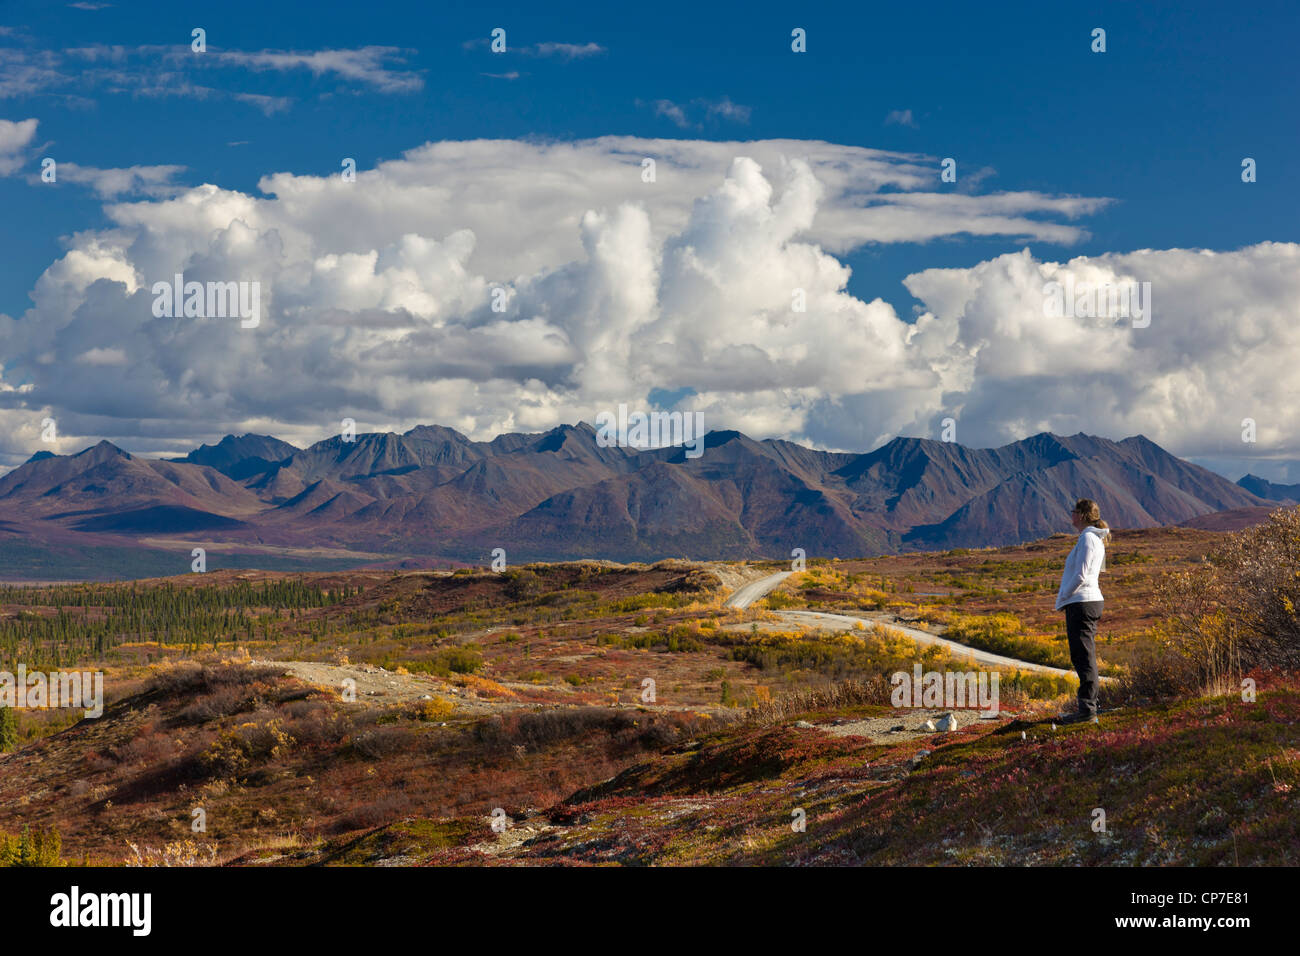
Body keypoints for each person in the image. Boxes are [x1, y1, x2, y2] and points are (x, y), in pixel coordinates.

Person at [1054, 498, 1109, 722]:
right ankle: (1088, 707)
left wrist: (1065, 594)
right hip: (1087, 600)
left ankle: (1087, 711)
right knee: (1084, 655)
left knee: (1083, 657)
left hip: (1081, 602)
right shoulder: (1094, 538)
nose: (1071, 515)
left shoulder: (1088, 538)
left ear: (1083, 515)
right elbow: (1096, 572)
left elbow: (1082, 574)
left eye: (1074, 511)